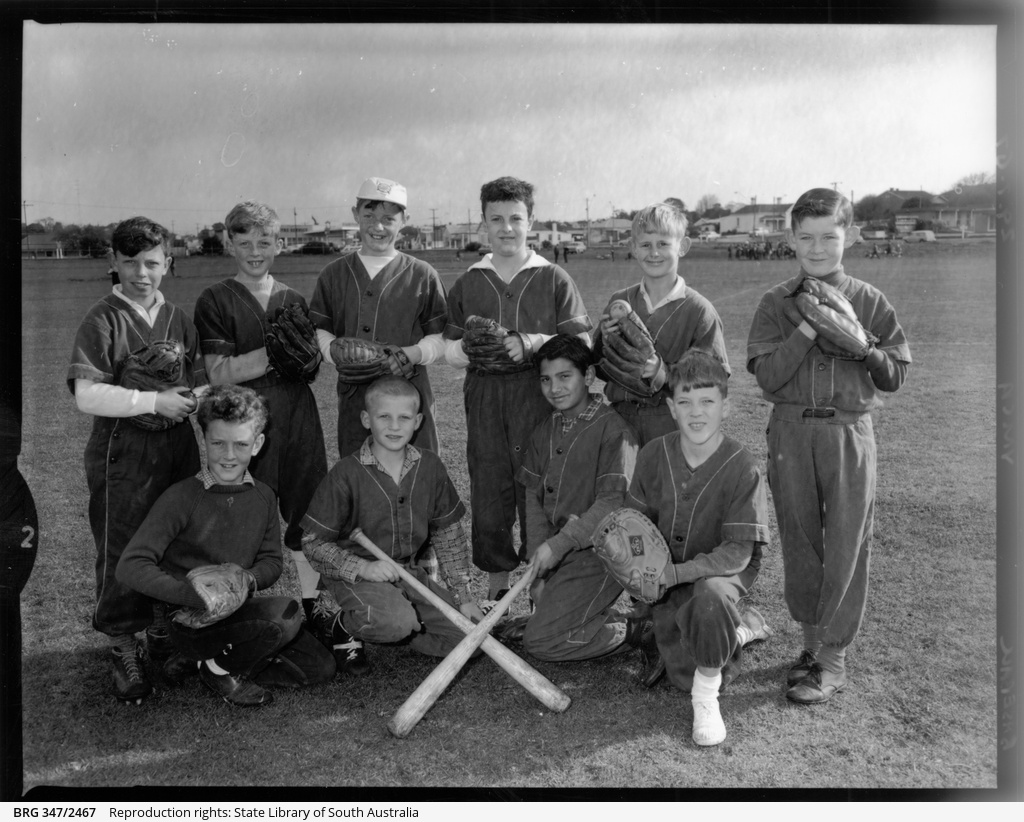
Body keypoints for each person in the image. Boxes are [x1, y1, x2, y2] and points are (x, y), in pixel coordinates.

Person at [746, 187, 911, 705]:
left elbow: (894, 375)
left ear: (850, 237)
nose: (817, 248)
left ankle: (832, 657)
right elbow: (768, 376)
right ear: (790, 237)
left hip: (848, 433)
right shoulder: (776, 302)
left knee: (845, 541)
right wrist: (809, 327)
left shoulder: (868, 300)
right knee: (799, 540)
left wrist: (859, 343)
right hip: (791, 432)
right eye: (806, 237)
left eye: (829, 237)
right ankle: (811, 645)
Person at [116, 385, 335, 707]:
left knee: (320, 667)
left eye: (241, 444)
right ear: (204, 440)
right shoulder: (181, 497)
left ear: (257, 444)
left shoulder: (263, 496)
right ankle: (216, 667)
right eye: (218, 443)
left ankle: (206, 659)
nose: (229, 455)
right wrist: (197, 595)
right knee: (282, 616)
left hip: (236, 612)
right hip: (190, 618)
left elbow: (272, 562)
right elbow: (130, 565)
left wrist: (245, 580)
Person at [67, 216, 206, 703]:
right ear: (114, 263)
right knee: (122, 543)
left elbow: (200, 379)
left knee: (174, 537)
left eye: (151, 262)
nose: (140, 273)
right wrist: (152, 401)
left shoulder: (179, 318)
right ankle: (124, 642)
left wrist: (192, 397)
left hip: (177, 445)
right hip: (121, 449)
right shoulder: (103, 317)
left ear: (168, 263)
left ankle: (164, 627)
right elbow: (87, 394)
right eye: (130, 263)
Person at [443, 176, 593, 601]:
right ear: (483, 224)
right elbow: (447, 346)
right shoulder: (470, 280)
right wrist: (468, 351)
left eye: (515, 218)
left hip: (537, 392)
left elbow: (582, 343)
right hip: (485, 393)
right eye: (496, 219)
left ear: (532, 221)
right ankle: (497, 584)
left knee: (540, 480)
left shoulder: (553, 277)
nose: (506, 228)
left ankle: (538, 580)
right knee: (489, 480)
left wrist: (532, 341)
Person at [625, 350, 771, 746]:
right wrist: (636, 565)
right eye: (685, 402)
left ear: (726, 407)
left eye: (708, 401)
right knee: (679, 670)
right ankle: (739, 633)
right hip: (669, 565)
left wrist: (676, 574)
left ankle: (706, 697)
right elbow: (634, 523)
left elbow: (737, 552)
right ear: (671, 407)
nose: (696, 412)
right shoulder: (654, 453)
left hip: (724, 567)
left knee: (707, 601)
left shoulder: (742, 464)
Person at [193, 201, 329, 625]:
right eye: (245, 241)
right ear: (228, 243)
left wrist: (306, 361)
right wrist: (273, 352)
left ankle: (317, 606)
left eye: (265, 242)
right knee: (245, 511)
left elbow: (309, 369)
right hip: (243, 415)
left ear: (279, 244)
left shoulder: (293, 297)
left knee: (310, 510)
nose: (255, 251)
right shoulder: (214, 298)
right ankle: (235, 613)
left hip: (298, 411)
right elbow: (218, 372)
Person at [300, 376, 485, 675]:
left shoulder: (430, 466)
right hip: (356, 576)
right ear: (366, 419)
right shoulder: (346, 474)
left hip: (407, 574)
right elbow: (312, 543)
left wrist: (463, 599)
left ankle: (403, 623)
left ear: (418, 421)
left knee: (472, 638)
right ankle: (341, 622)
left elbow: (448, 534)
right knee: (395, 622)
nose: (394, 426)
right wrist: (363, 568)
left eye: (404, 417)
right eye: (384, 416)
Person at [510, 335, 646, 661]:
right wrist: (539, 568)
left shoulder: (614, 431)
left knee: (541, 642)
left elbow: (612, 505)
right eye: (546, 379)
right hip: (564, 552)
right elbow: (533, 497)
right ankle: (574, 616)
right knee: (544, 611)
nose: (554, 388)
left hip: (604, 554)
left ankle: (640, 630)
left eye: (564, 376)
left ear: (587, 377)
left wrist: (557, 547)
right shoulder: (546, 428)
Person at [309, 177, 449, 460]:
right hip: (355, 397)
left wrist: (413, 353)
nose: (378, 226)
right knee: (359, 478)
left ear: (404, 220)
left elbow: (441, 336)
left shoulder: (422, 273)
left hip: (411, 394)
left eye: (388, 218)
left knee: (416, 478)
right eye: (369, 215)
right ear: (355, 215)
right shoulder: (333, 274)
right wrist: (334, 352)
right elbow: (319, 329)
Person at [593, 201, 729, 448]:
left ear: (683, 246)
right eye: (645, 245)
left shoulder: (700, 310)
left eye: (663, 244)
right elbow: (599, 368)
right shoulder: (619, 300)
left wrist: (665, 374)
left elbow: (715, 380)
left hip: (671, 423)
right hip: (620, 420)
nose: (654, 253)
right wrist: (604, 342)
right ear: (633, 248)